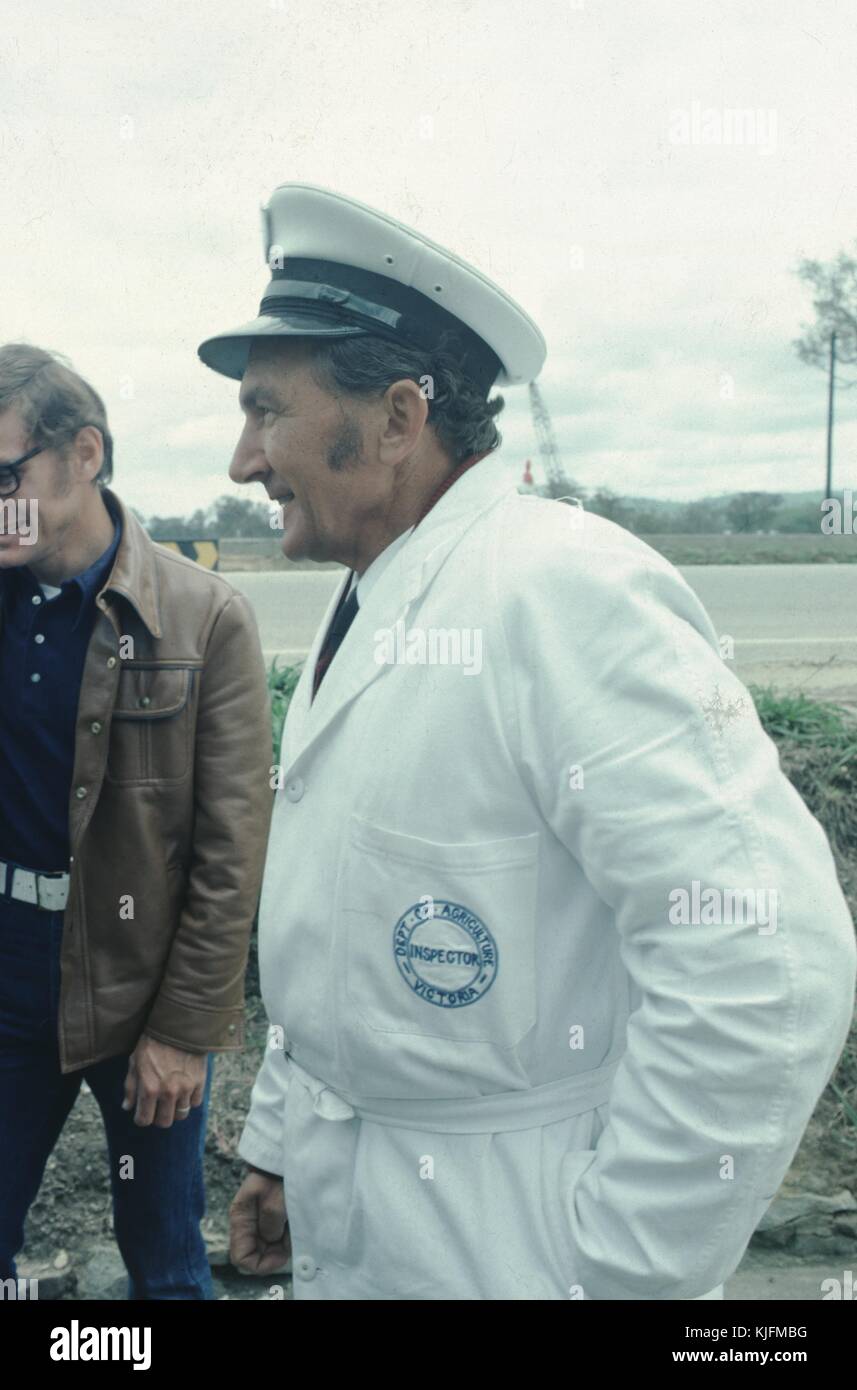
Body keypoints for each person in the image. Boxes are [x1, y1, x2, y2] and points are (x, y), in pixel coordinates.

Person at [201, 184, 857, 1300]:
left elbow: (764, 961)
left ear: (400, 419)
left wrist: (619, 1274)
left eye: (267, 411)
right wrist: (281, 1142)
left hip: (508, 1243)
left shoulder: (560, 591)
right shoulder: (372, 598)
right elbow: (339, 929)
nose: (241, 461)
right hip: (362, 1202)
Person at [0, 344, 273, 1299]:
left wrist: (184, 1031)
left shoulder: (205, 619)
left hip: (138, 984)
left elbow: (229, 852)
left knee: (164, 1258)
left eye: (5, 476)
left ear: (85, 454)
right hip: (7, 971)